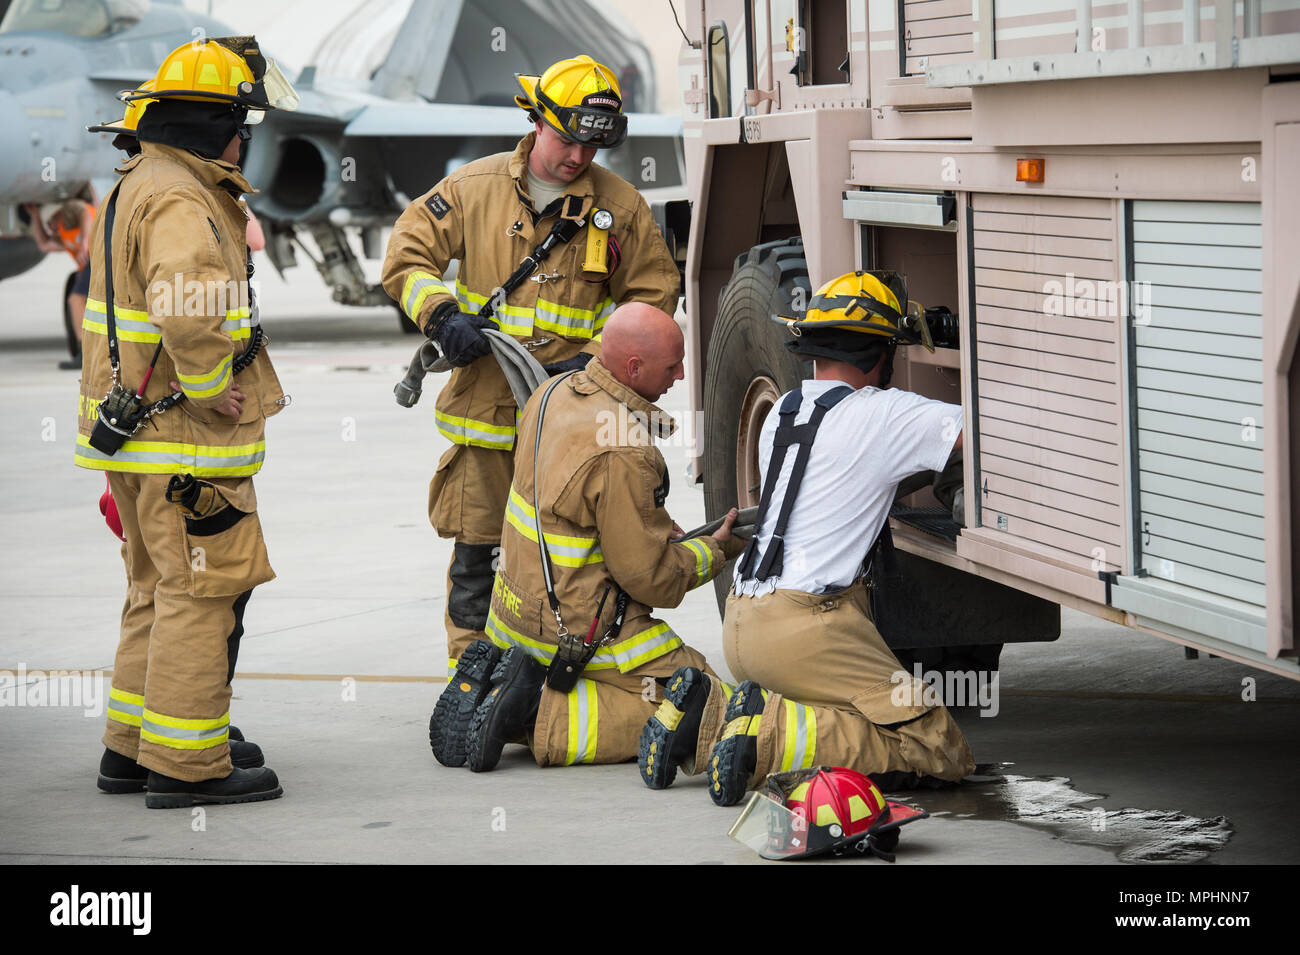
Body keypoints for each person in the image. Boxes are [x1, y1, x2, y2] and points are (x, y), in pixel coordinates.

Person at [381, 55, 680, 684]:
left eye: (592, 144)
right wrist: (440, 317)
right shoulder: (473, 189)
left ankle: (558, 670)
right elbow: (406, 258)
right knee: (478, 551)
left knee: (569, 555)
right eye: (567, 138)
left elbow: (652, 299)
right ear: (536, 120)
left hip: (574, 421)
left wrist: (597, 361)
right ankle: (470, 680)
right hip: (488, 418)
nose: (577, 157)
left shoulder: (621, 209)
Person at [639, 270, 976, 806]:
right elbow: (984, 434)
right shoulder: (886, 414)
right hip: (809, 629)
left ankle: (707, 721)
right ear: (876, 356)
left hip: (743, 622)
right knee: (935, 747)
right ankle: (765, 741)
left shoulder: (785, 412)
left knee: (842, 714)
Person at [75, 37, 298, 808]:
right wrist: (210, 388)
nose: (246, 137)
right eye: (240, 120)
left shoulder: (143, 179)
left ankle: (129, 749)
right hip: (184, 440)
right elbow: (184, 299)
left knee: (153, 587)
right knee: (202, 592)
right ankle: (185, 765)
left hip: (134, 438)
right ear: (214, 125)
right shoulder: (182, 196)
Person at [428, 304, 746, 773]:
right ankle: (533, 715)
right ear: (634, 368)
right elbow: (651, 580)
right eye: (672, 365)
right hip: (578, 630)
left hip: (511, 618)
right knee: (707, 705)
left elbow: (578, 511)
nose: (681, 375)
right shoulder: (624, 450)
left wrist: (649, 524)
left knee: (684, 699)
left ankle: (509, 683)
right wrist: (716, 549)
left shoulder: (552, 391)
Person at [26, 197, 94, 369]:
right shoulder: (63, 234)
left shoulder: (68, 212)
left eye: (50, 222)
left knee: (76, 299)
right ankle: (90, 352)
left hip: (98, 256)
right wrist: (35, 215)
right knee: (85, 303)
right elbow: (44, 245)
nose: (50, 228)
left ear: (57, 215)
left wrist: (86, 240)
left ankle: (84, 354)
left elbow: (86, 212)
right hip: (93, 263)